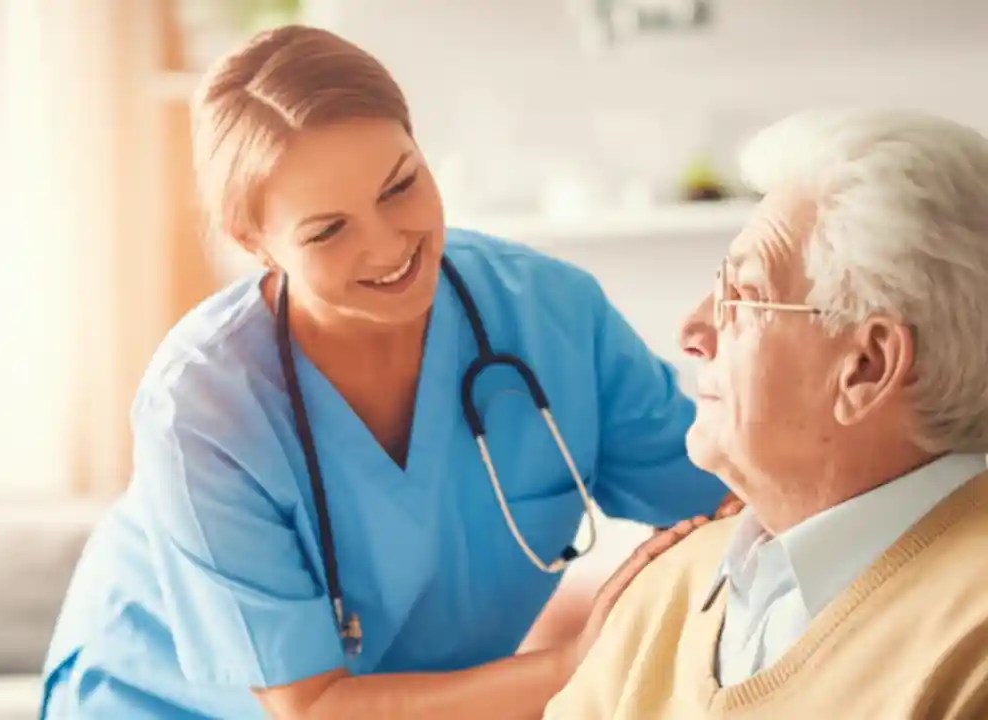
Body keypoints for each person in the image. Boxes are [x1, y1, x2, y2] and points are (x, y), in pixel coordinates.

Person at [41, 25, 729, 719]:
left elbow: (733, 486)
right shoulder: (202, 406)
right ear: (256, 243)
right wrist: (576, 665)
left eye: (400, 186)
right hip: (157, 702)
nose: (389, 245)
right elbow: (312, 707)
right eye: (328, 231)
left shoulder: (551, 316)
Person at [543, 109, 988, 720]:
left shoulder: (970, 635)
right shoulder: (671, 585)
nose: (692, 330)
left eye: (741, 298)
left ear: (866, 366)